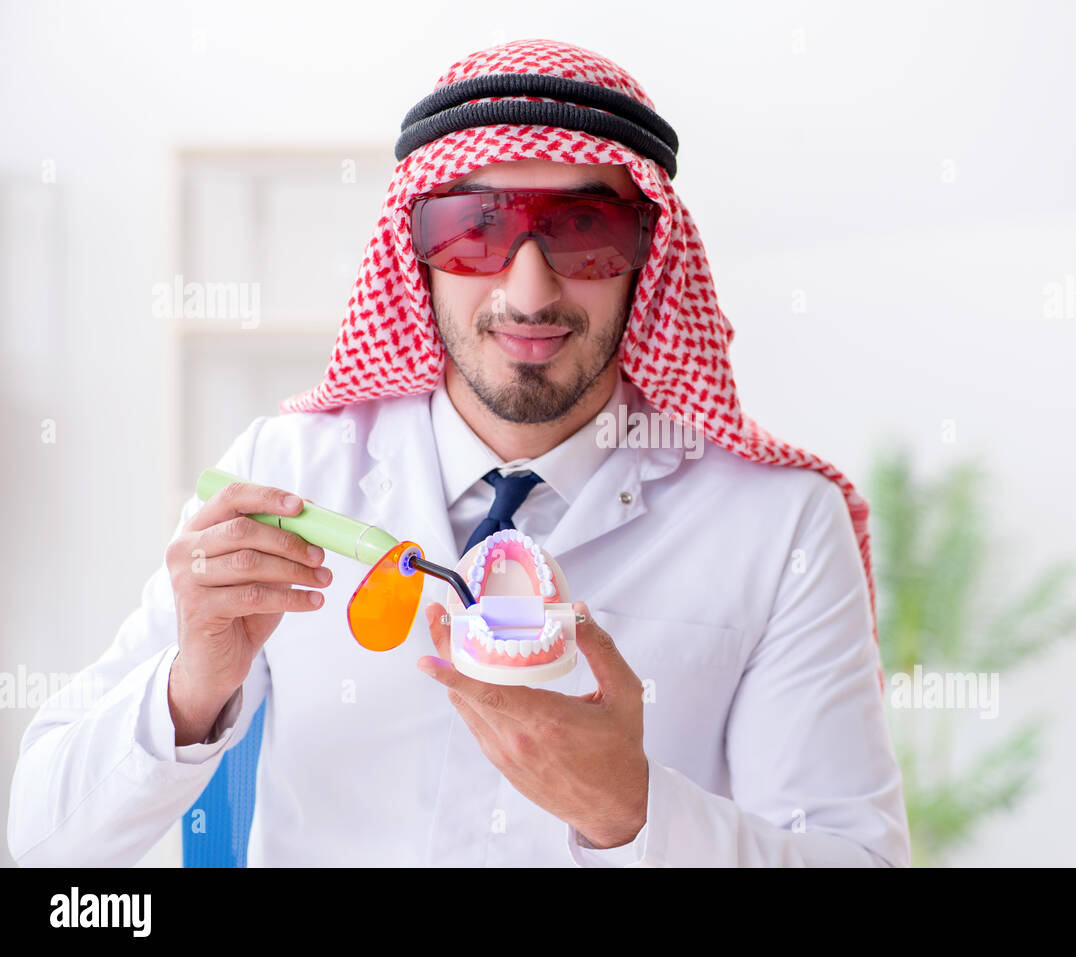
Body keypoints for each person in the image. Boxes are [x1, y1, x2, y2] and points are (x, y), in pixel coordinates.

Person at [8, 38, 909, 867]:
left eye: (583, 230)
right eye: (477, 228)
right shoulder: (287, 474)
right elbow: (43, 841)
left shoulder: (778, 524)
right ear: (417, 249)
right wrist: (190, 687)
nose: (528, 289)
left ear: (648, 253)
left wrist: (634, 815)